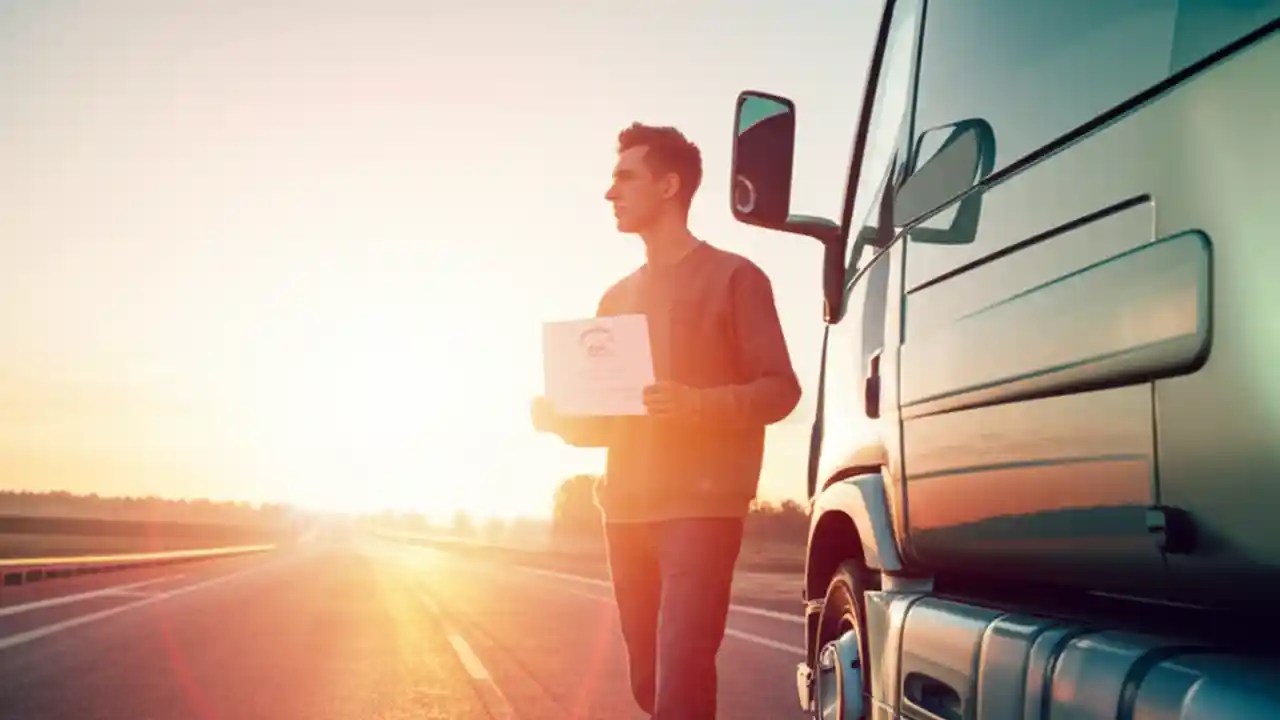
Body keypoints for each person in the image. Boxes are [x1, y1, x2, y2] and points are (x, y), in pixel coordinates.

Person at [531, 122, 801, 719]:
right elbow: (608, 424)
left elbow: (781, 390)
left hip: (700, 512)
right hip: (624, 509)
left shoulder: (737, 278)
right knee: (649, 683)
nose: (610, 192)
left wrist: (696, 404)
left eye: (625, 177)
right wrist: (560, 420)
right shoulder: (615, 298)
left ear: (670, 186)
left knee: (680, 681)